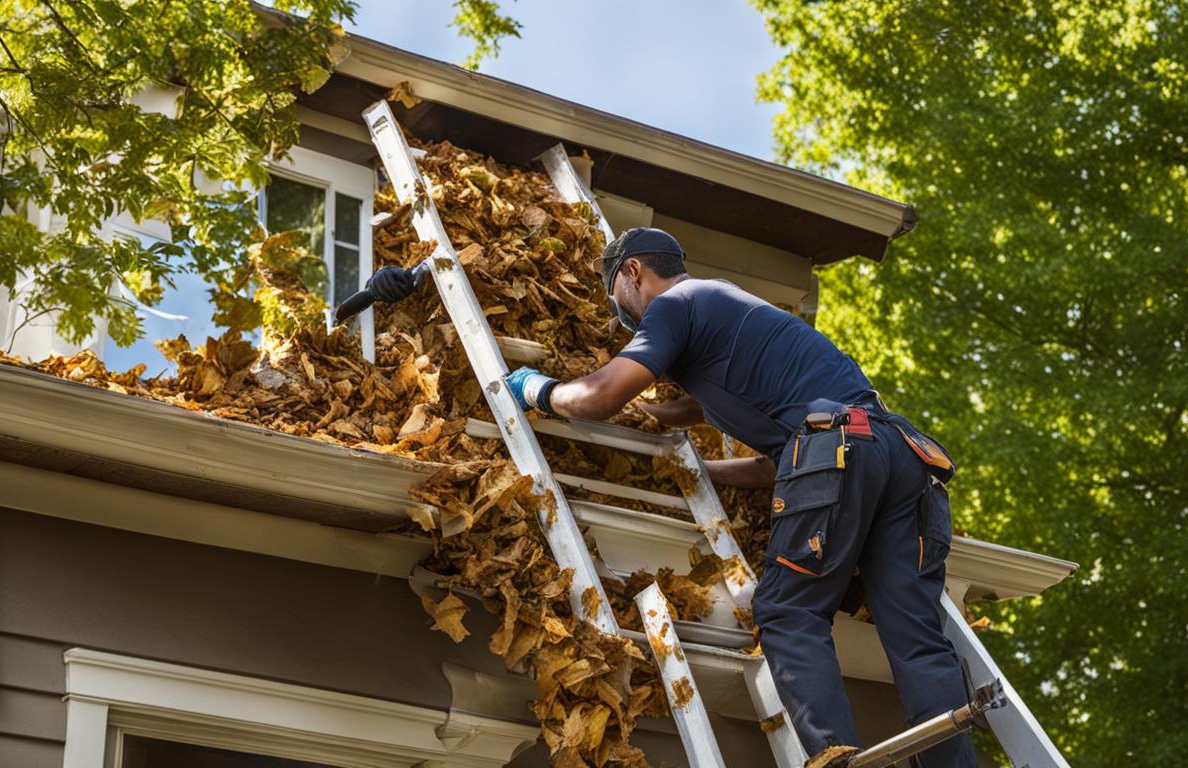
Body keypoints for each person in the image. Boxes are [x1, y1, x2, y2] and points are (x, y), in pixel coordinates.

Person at [362, 228, 973, 768]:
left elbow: (601, 397)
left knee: (789, 613)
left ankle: (833, 755)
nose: (628, 323)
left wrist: (541, 390)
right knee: (916, 637)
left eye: (622, 311)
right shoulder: (741, 320)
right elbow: (780, 463)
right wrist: (701, 465)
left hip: (835, 449)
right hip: (902, 456)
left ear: (633, 273)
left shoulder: (677, 302)